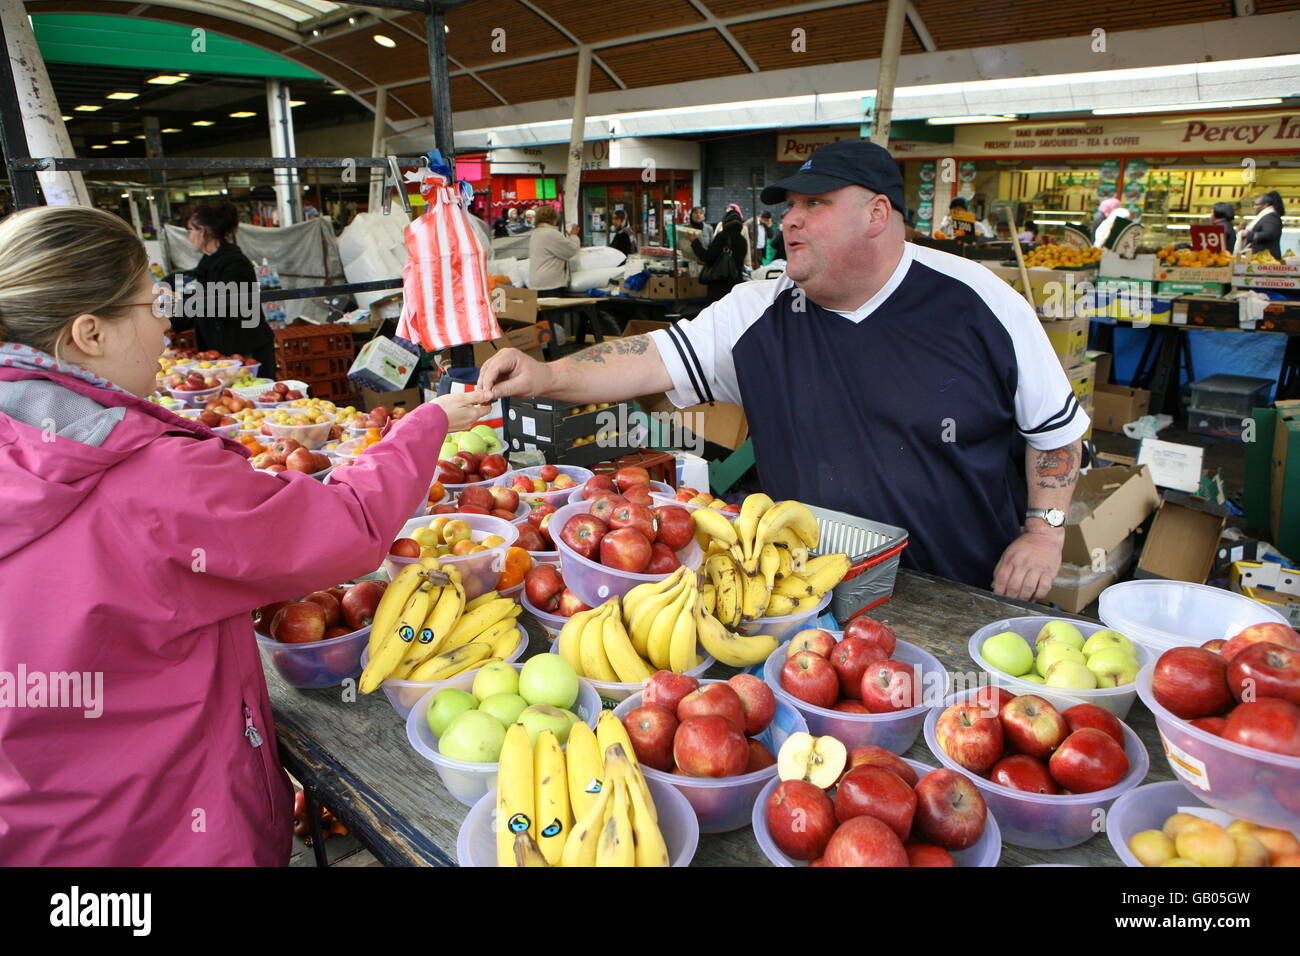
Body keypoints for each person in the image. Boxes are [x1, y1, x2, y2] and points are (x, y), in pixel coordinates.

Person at [0, 204, 487, 865]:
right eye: (150, 303)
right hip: (167, 832)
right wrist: (425, 424)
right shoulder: (147, 476)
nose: (167, 320)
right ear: (90, 332)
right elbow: (346, 526)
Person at [478, 140, 1088, 601]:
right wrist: (545, 376)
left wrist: (1045, 532)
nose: (791, 219)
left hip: (959, 587)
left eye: (815, 204)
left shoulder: (978, 300)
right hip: (802, 588)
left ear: (878, 213)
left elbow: (1055, 431)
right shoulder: (760, 305)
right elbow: (650, 358)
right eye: (790, 205)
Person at [168, 202, 277, 377]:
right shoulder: (209, 260)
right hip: (224, 352)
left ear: (202, 230)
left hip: (246, 353)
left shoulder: (234, 263)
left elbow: (212, 302)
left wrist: (172, 323)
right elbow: (195, 288)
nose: (189, 236)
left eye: (190, 230)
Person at [691, 208, 747, 302]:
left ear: (725, 222)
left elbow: (707, 257)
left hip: (719, 285)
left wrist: (695, 242)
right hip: (735, 286)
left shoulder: (723, 236)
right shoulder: (742, 240)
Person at [527, 204, 580, 297]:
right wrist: (574, 236)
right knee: (553, 310)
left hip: (537, 282)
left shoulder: (536, 233)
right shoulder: (551, 233)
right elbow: (571, 250)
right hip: (550, 283)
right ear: (553, 218)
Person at [1238, 191, 1285, 260]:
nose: (1254, 207)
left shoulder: (1271, 217)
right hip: (1261, 259)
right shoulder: (1267, 217)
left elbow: (1269, 234)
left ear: (1266, 205)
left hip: (1266, 260)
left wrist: (1248, 234)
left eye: (1256, 204)